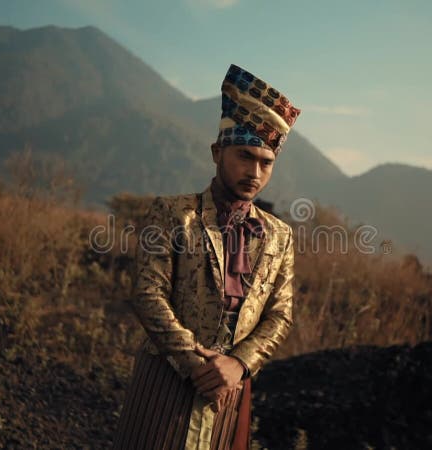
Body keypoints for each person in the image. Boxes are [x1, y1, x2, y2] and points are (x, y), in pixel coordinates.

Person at [113, 63, 300, 450]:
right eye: (245, 156)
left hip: (231, 389)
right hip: (166, 381)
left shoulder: (279, 236)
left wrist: (239, 364)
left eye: (266, 162)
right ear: (217, 153)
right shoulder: (172, 213)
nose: (255, 172)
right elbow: (148, 294)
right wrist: (197, 365)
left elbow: (280, 315)